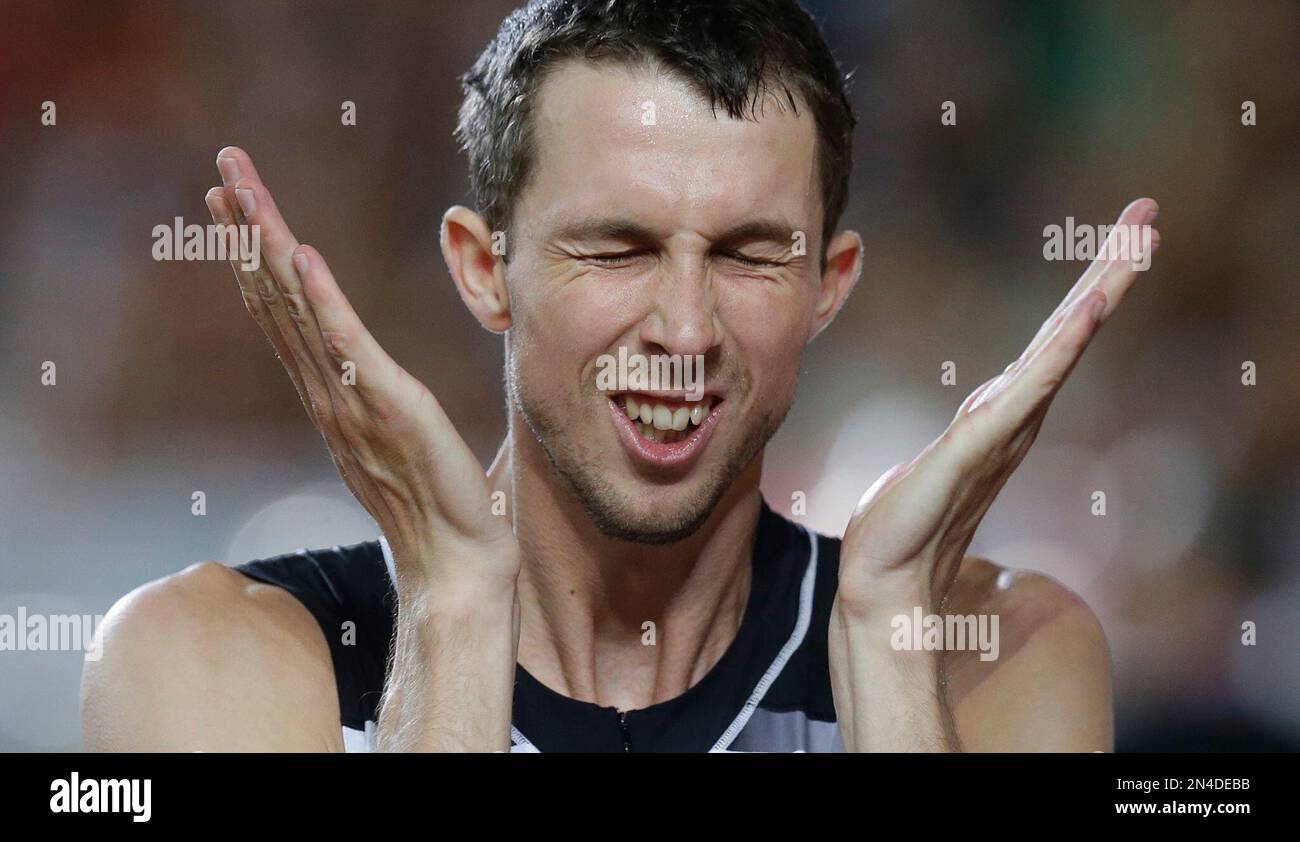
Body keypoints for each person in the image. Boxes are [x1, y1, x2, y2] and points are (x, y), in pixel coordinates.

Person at [82, 0, 1158, 752]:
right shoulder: (208, 653)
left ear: (828, 284)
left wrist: (884, 636)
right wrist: (453, 603)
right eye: (617, 247)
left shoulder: (1002, 654)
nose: (685, 326)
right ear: (482, 267)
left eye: (746, 253)